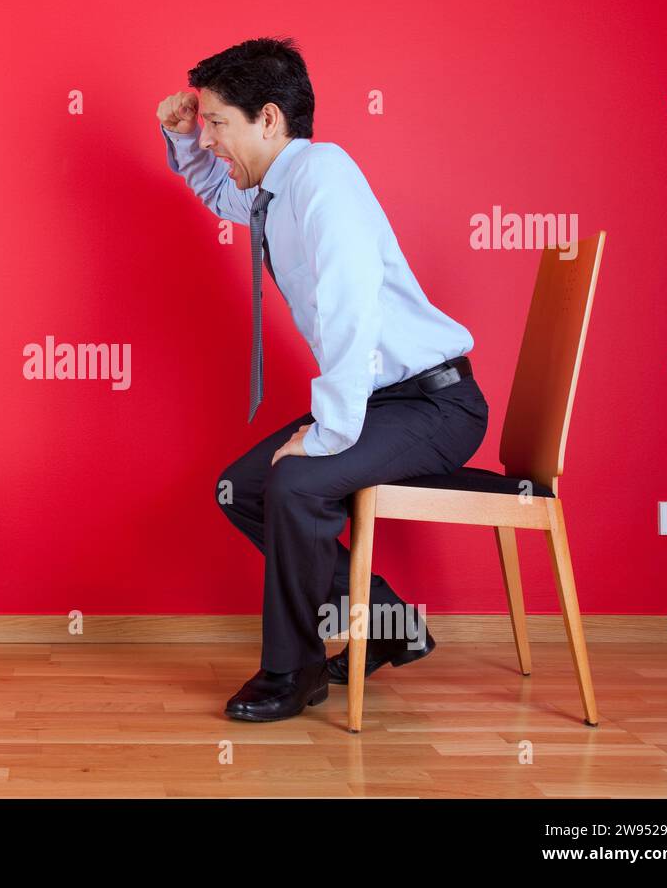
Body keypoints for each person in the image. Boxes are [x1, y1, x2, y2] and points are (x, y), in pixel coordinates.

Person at [157, 37, 490, 722]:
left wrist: (330, 432)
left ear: (270, 119)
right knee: (239, 487)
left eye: (218, 122)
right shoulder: (276, 191)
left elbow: (349, 304)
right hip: (386, 400)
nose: (212, 137)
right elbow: (224, 196)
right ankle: (391, 623)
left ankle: (293, 669)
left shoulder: (323, 176)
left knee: (296, 481)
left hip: (435, 403)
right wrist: (185, 140)